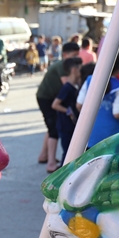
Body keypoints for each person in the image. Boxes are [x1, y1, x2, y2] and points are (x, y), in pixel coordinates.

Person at [35, 41, 81, 172]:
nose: (76, 58)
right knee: (54, 129)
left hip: (51, 97)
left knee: (51, 126)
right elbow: (68, 83)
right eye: (74, 55)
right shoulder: (63, 66)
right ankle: (51, 163)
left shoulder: (65, 64)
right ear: (65, 55)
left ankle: (44, 155)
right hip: (46, 98)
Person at [76, 51, 119, 147]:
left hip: (92, 135)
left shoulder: (90, 80)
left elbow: (79, 105)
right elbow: (117, 114)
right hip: (114, 136)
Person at [51, 57, 83, 157]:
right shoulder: (67, 87)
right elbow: (55, 105)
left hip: (71, 126)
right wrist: (68, 111)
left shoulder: (76, 86)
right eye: (80, 68)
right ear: (74, 70)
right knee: (68, 154)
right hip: (65, 126)